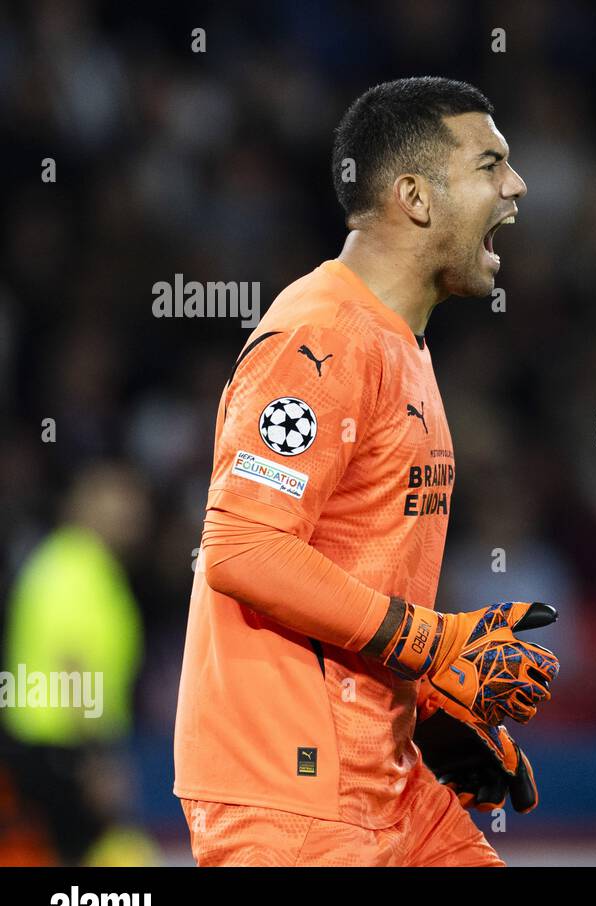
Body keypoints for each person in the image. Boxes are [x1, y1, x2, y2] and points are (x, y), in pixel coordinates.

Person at [174, 77, 558, 866]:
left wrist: (423, 706)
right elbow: (242, 548)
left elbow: (347, 562)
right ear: (416, 197)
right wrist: (434, 642)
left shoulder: (399, 342)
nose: (516, 186)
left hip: (384, 777)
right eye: (491, 164)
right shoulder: (321, 337)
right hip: (292, 790)